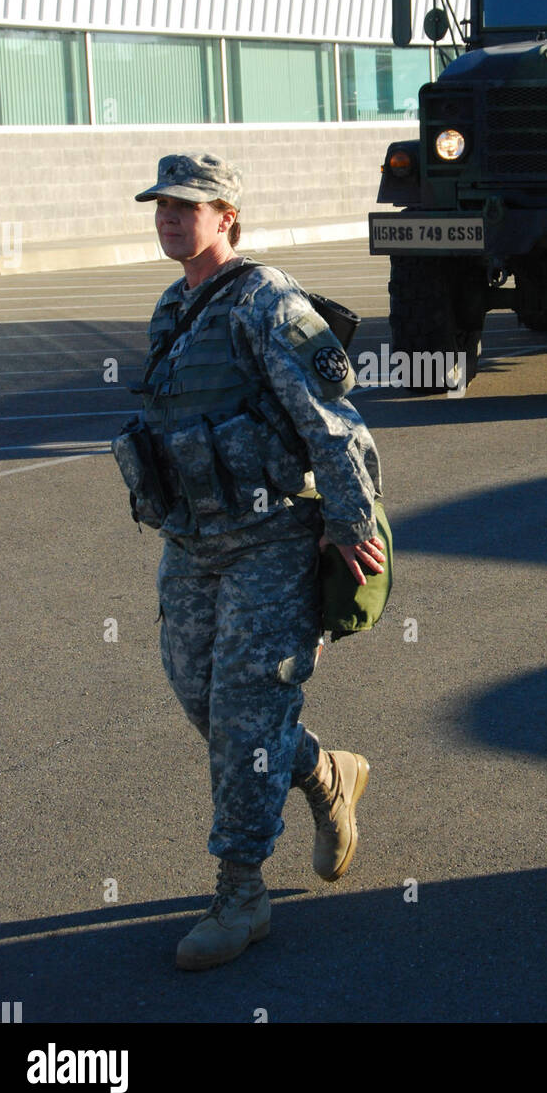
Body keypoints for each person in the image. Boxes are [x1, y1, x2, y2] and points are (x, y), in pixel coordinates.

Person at [112, 152, 386, 972]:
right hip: (193, 544)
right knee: (202, 699)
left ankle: (241, 896)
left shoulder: (265, 300)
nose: (170, 216)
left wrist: (349, 521)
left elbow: (332, 419)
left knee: (241, 715)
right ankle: (325, 771)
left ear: (227, 214)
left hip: (269, 543)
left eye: (187, 206)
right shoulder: (173, 304)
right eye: (162, 204)